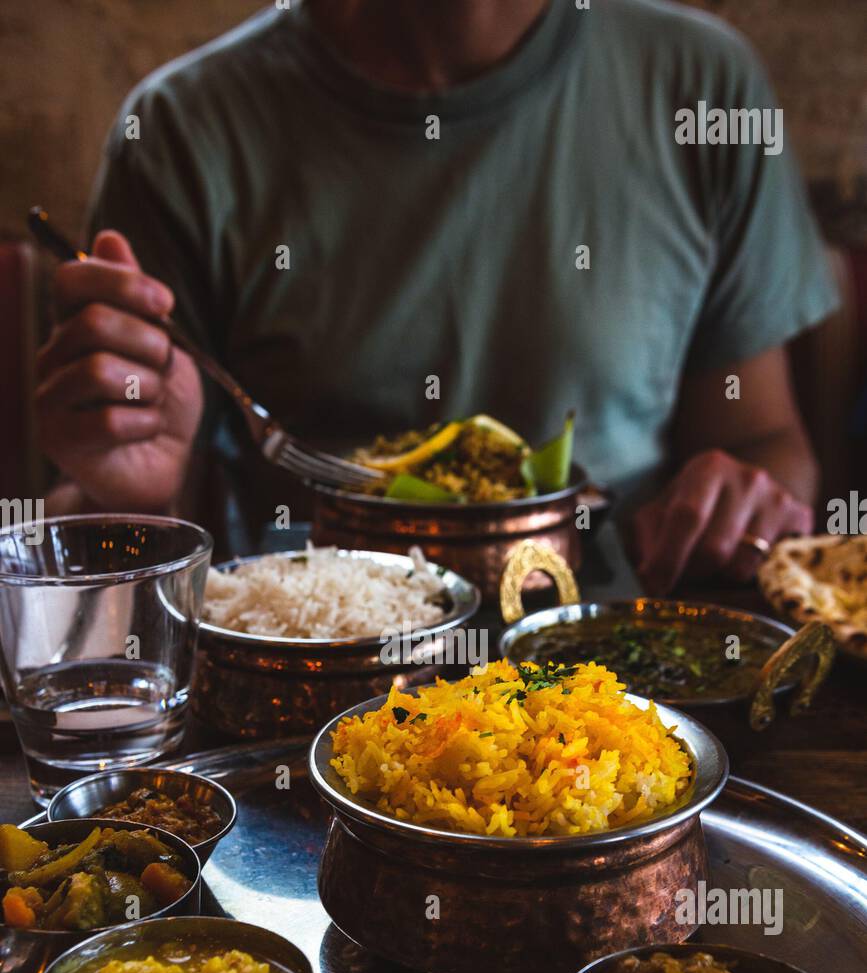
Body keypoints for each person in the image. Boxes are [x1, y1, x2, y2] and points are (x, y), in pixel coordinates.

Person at [35, 0, 838, 592]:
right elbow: (145, 518)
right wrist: (123, 495)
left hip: (627, 679)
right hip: (319, 688)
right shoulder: (182, 128)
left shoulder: (700, 85)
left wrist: (743, 501)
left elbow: (765, 438)